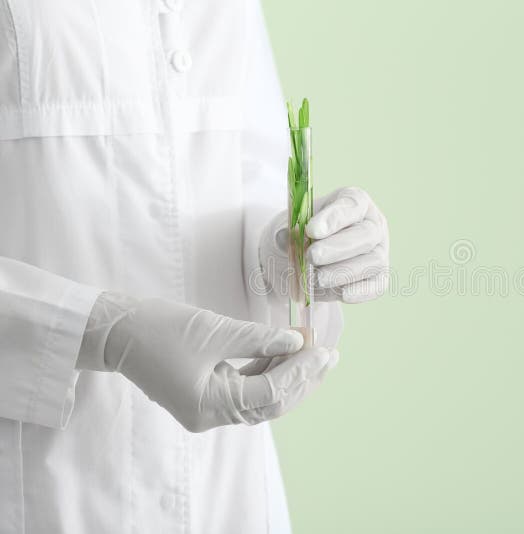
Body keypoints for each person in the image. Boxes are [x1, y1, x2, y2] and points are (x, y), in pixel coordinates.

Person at [0, 1, 389, 532]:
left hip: (232, 491)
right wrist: (100, 331)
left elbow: (247, 172)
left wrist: (285, 254)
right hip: (39, 490)